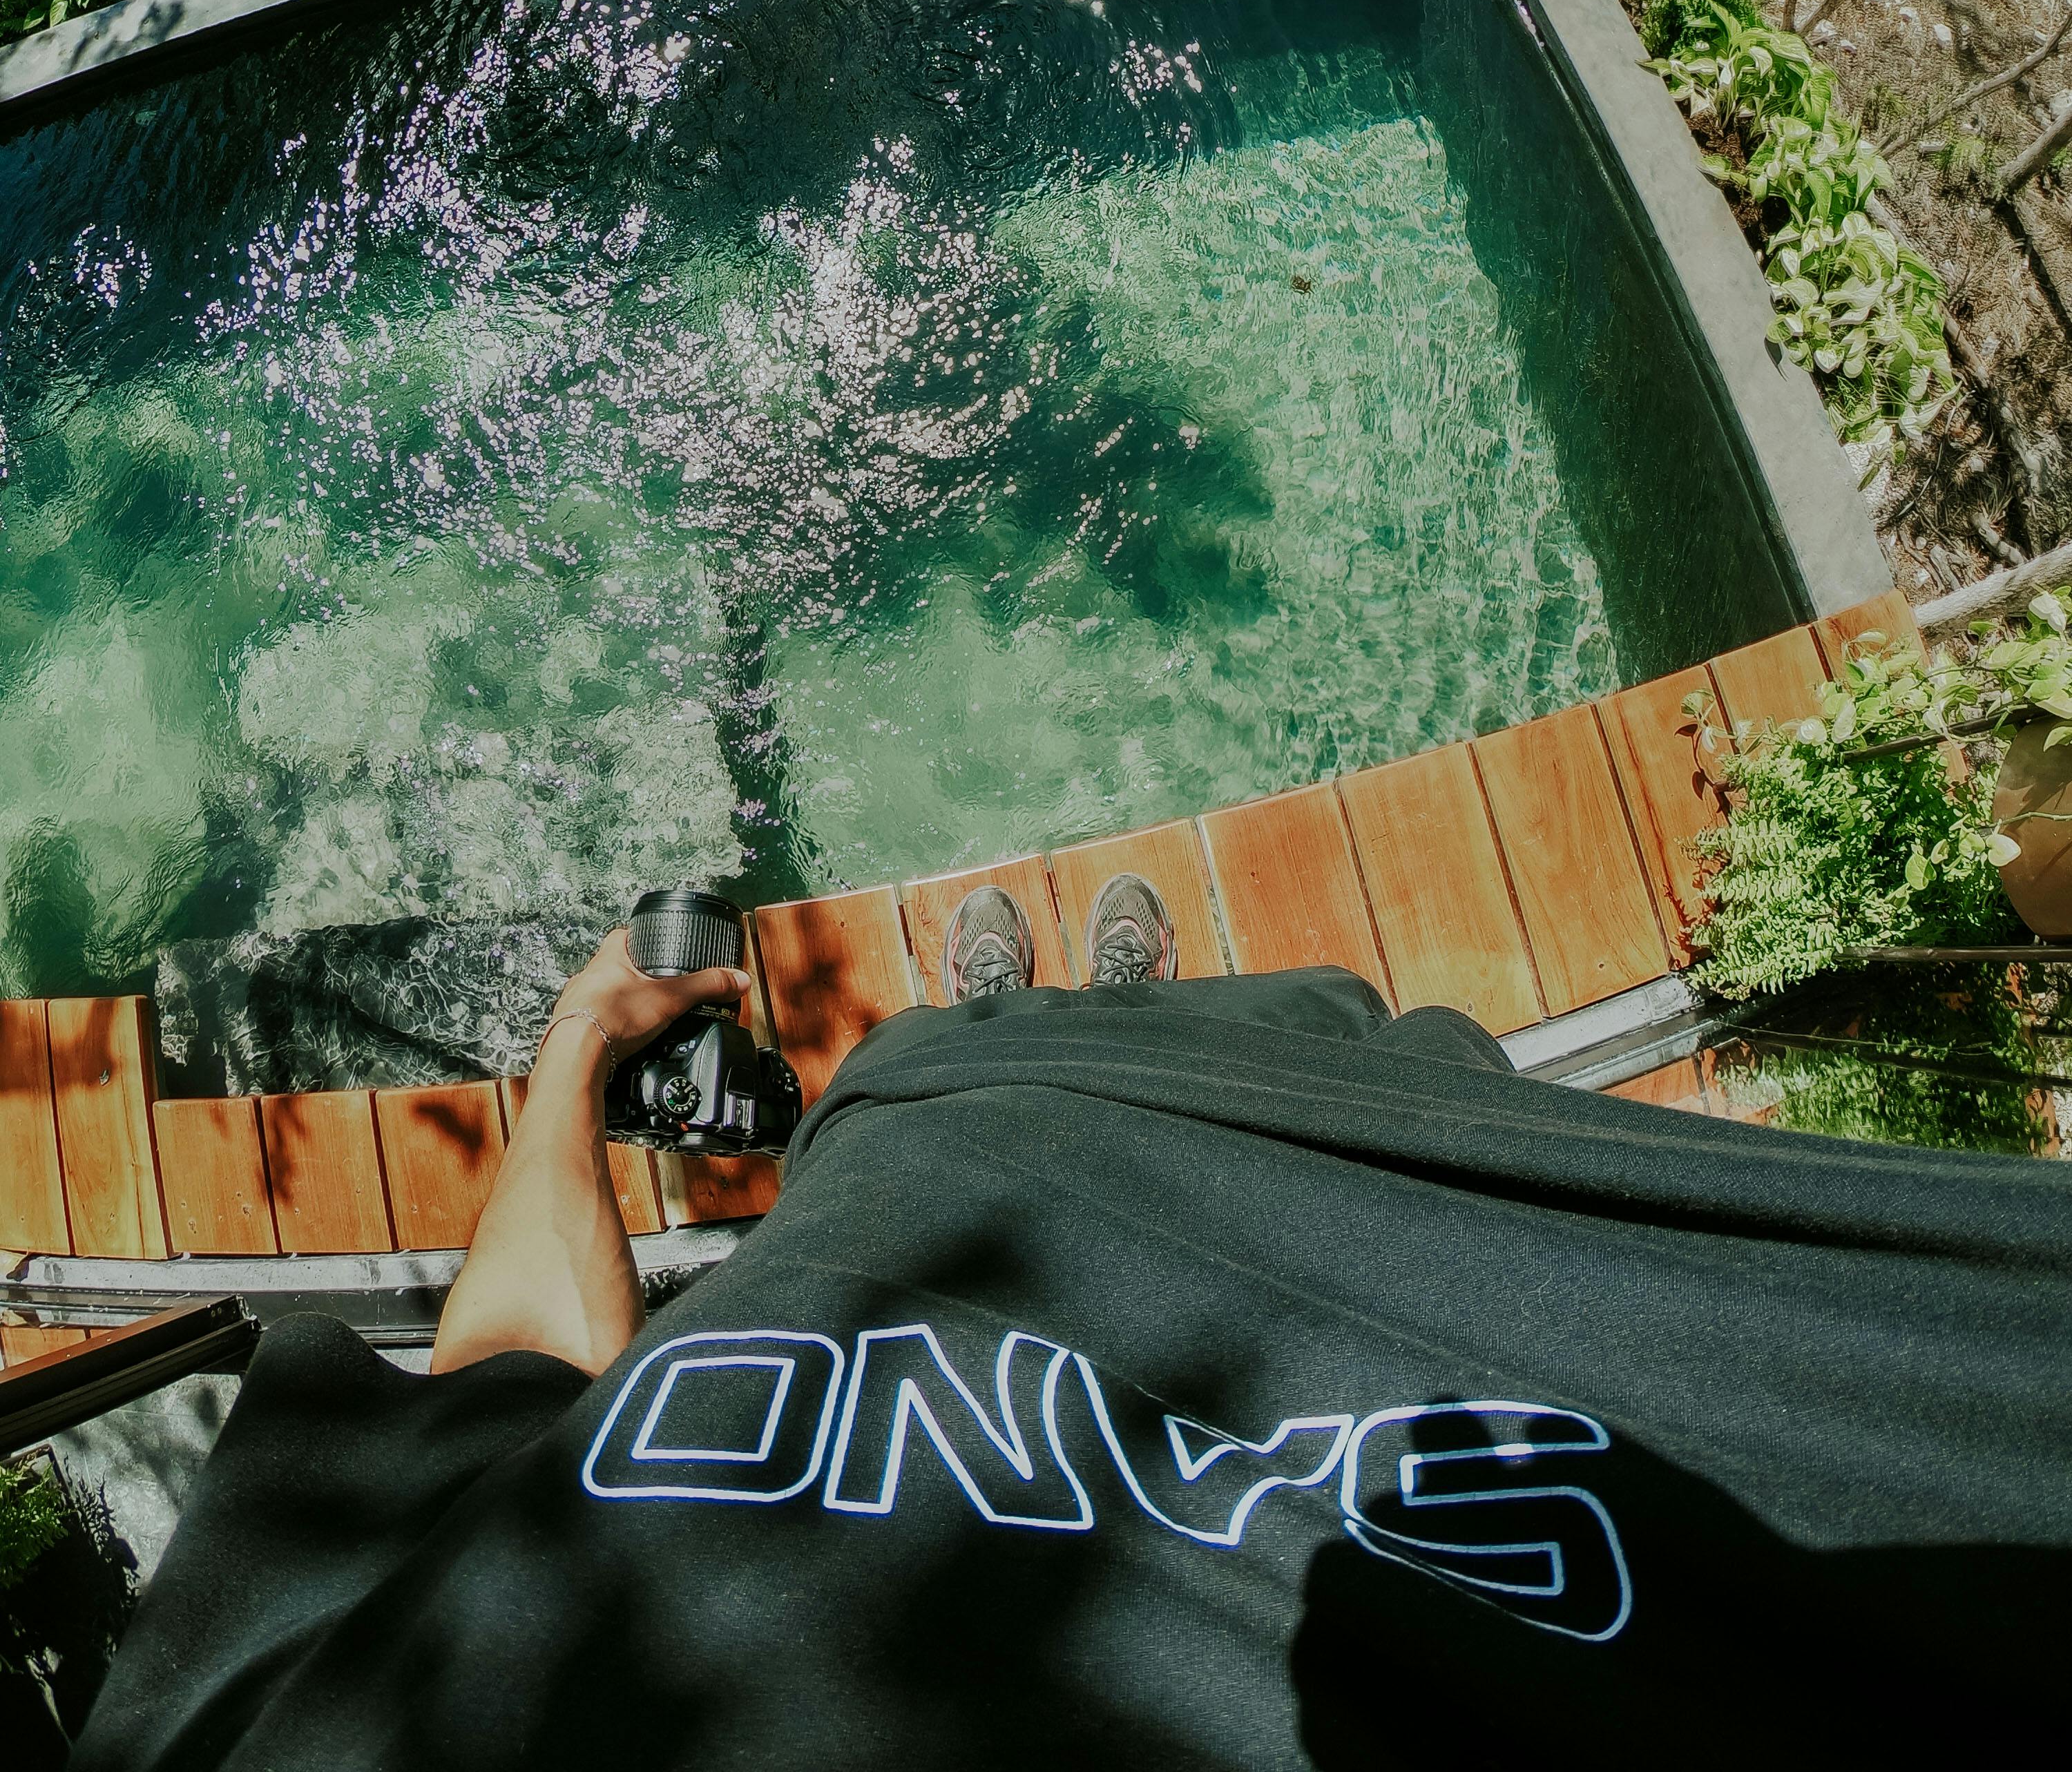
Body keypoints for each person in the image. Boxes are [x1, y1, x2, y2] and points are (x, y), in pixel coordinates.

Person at [75, 874, 2072, 1771]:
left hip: (943, 1166)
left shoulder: (271, 1737)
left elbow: (499, 1383)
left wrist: (571, 1060)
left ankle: (1026, 1031)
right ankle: (1095, 1032)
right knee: (1172, 1074)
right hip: (1239, 1194)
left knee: (1002, 1064)